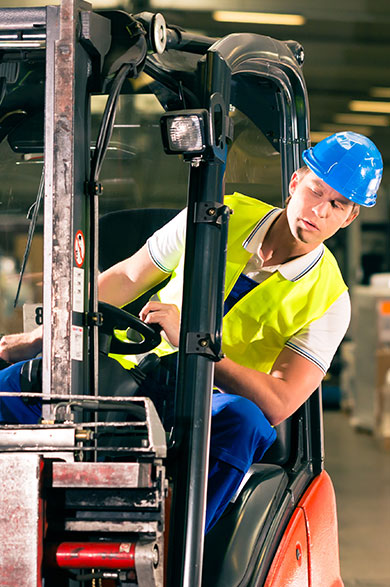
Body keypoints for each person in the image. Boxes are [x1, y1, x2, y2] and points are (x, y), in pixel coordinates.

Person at [0, 132, 383, 531]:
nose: (319, 210)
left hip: (209, 404)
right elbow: (130, 276)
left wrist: (196, 345)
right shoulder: (217, 214)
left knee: (246, 423)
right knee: (23, 381)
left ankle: (173, 551)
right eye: (316, 191)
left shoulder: (330, 300)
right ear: (294, 183)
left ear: (350, 216)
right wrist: (50, 335)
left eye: (337, 204)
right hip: (133, 376)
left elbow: (279, 401)